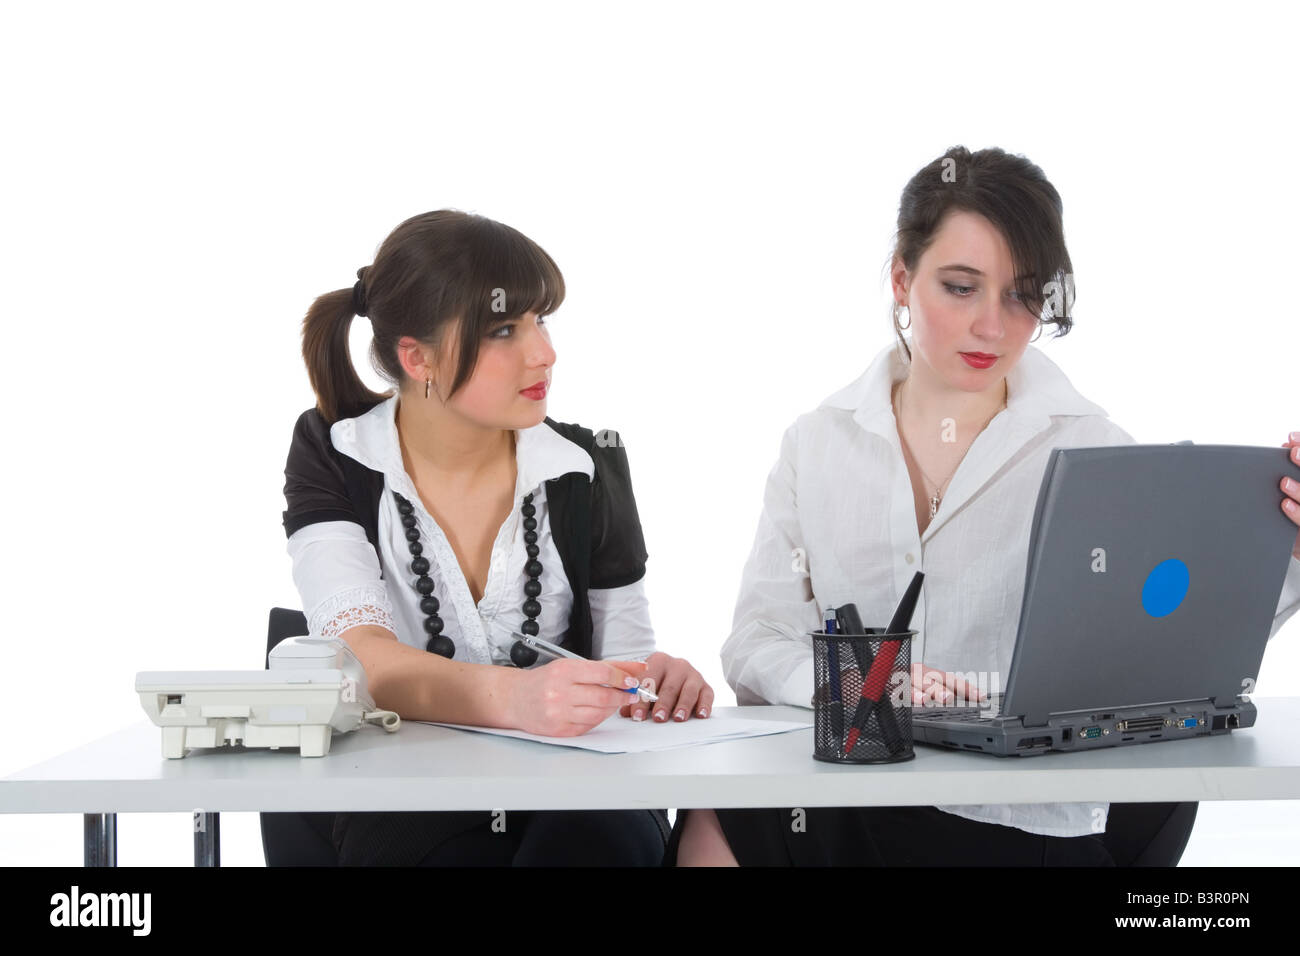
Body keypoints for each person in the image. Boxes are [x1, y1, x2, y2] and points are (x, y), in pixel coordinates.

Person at [666, 146, 1300, 866]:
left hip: (1018, 813)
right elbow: (755, 643)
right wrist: (864, 683)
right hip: (856, 787)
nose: (993, 328)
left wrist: (1290, 555)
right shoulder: (818, 443)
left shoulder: (1093, 450)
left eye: (1022, 294)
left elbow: (1176, 642)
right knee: (716, 816)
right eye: (961, 287)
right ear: (902, 279)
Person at [282, 209, 713, 866]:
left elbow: (628, 662)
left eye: (543, 322)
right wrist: (520, 698)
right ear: (417, 357)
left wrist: (649, 682)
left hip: (581, 787)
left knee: (590, 852)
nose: (544, 352)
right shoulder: (334, 453)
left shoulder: (586, 463)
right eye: (505, 329)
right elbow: (362, 660)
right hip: (408, 790)